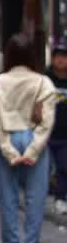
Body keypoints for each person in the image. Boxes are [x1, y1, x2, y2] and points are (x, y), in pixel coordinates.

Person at [0, 35, 57, 243]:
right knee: (35, 198)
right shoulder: (43, 83)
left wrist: (9, 150)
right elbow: (46, 122)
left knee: (7, 197)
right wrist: (33, 151)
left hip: (7, 137)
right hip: (32, 137)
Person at [47, 43, 67, 217]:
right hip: (45, 133)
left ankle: (60, 199)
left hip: (64, 135)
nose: (60, 59)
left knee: (63, 166)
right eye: (57, 56)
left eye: (64, 56)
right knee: (43, 169)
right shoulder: (45, 80)